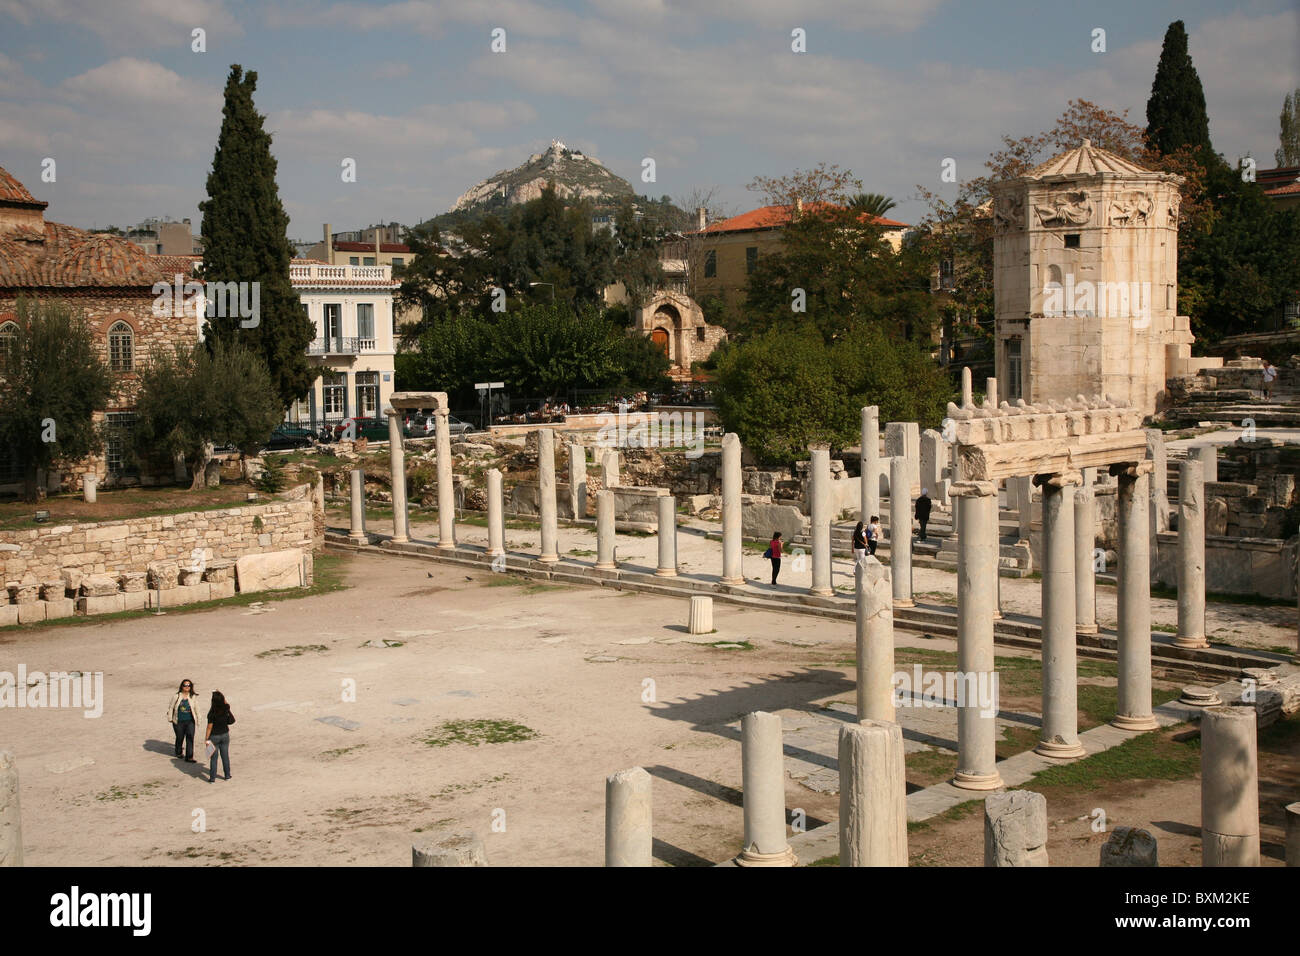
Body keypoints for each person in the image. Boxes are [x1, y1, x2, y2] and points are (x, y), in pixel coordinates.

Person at [205, 690, 236, 783]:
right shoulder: (226, 708)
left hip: (214, 736)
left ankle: (212, 778)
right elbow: (226, 703)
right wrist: (220, 694)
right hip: (225, 734)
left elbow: (209, 727)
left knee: (214, 758)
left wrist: (206, 739)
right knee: (225, 756)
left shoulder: (211, 713)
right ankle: (227, 775)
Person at [167, 679, 200, 762]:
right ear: (182, 686)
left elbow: (196, 708)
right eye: (185, 685)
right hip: (179, 721)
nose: (187, 687)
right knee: (180, 737)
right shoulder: (177, 696)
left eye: (189, 685)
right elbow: (171, 707)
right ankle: (178, 752)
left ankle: (189, 757)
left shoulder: (192, 696)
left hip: (190, 721)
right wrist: (170, 718)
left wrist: (198, 719)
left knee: (190, 737)